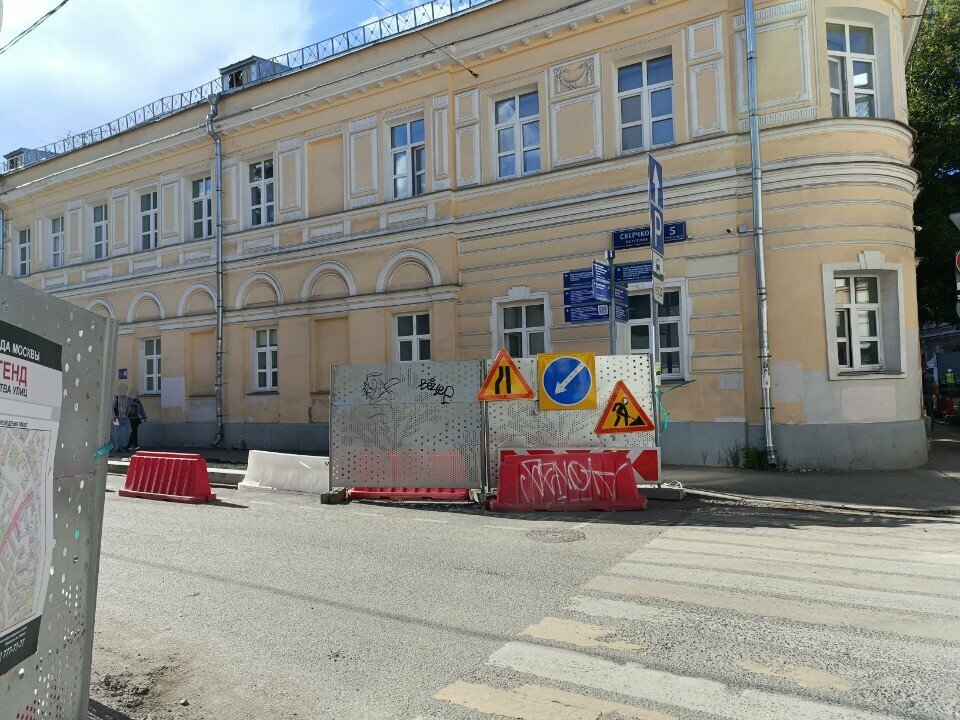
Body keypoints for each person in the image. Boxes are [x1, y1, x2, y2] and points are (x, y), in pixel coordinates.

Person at [111, 384, 132, 453]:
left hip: (125, 418)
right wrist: (113, 416)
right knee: (117, 433)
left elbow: (129, 407)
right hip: (116, 418)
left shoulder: (127, 398)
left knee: (129, 430)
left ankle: (124, 445)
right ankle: (117, 448)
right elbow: (112, 408)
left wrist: (128, 411)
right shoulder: (115, 398)